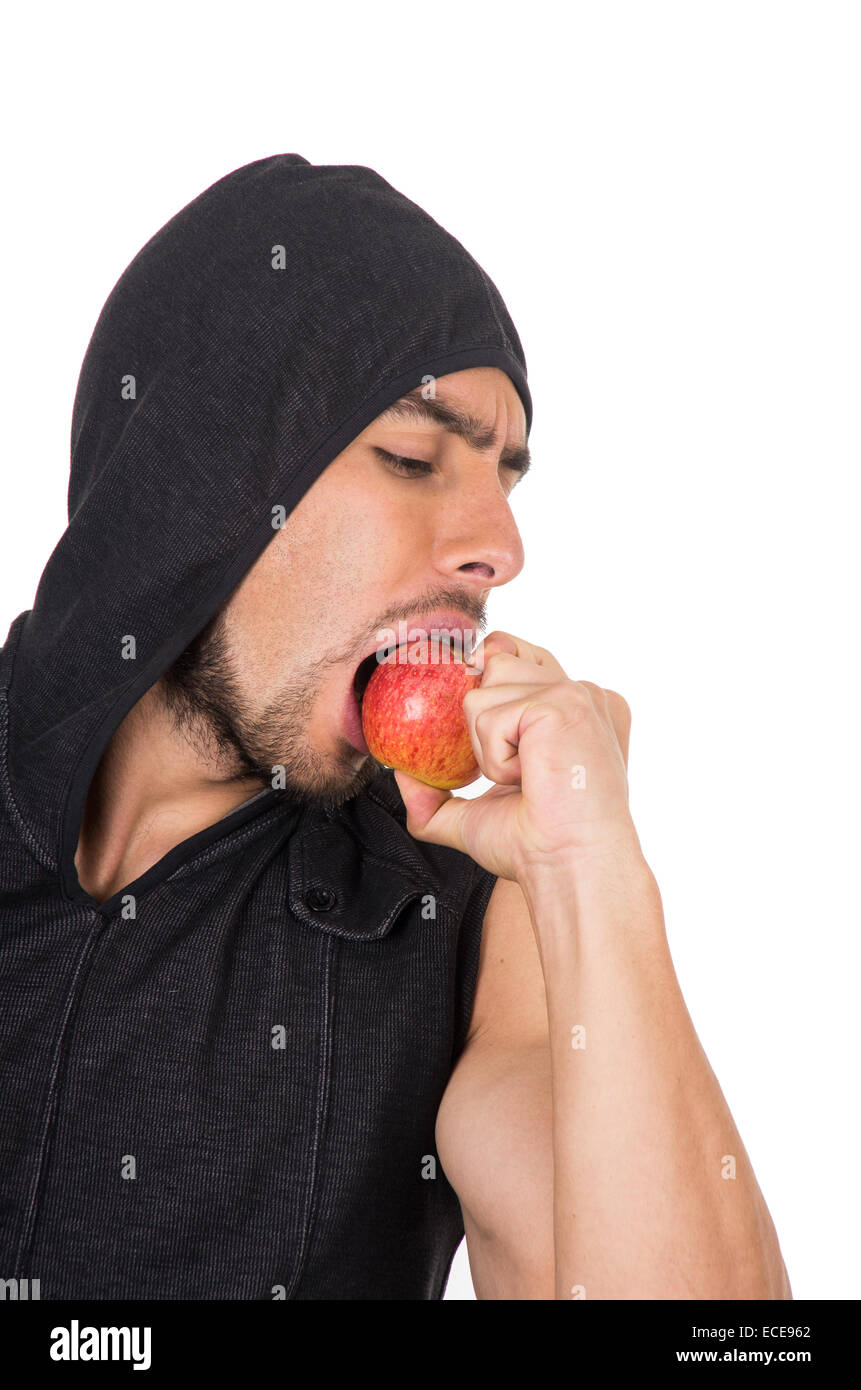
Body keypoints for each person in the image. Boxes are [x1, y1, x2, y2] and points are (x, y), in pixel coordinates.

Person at [0, 154, 790, 1300]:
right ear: (209, 480)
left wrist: (590, 873)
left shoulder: (464, 898)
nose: (501, 550)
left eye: (506, 482)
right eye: (415, 457)